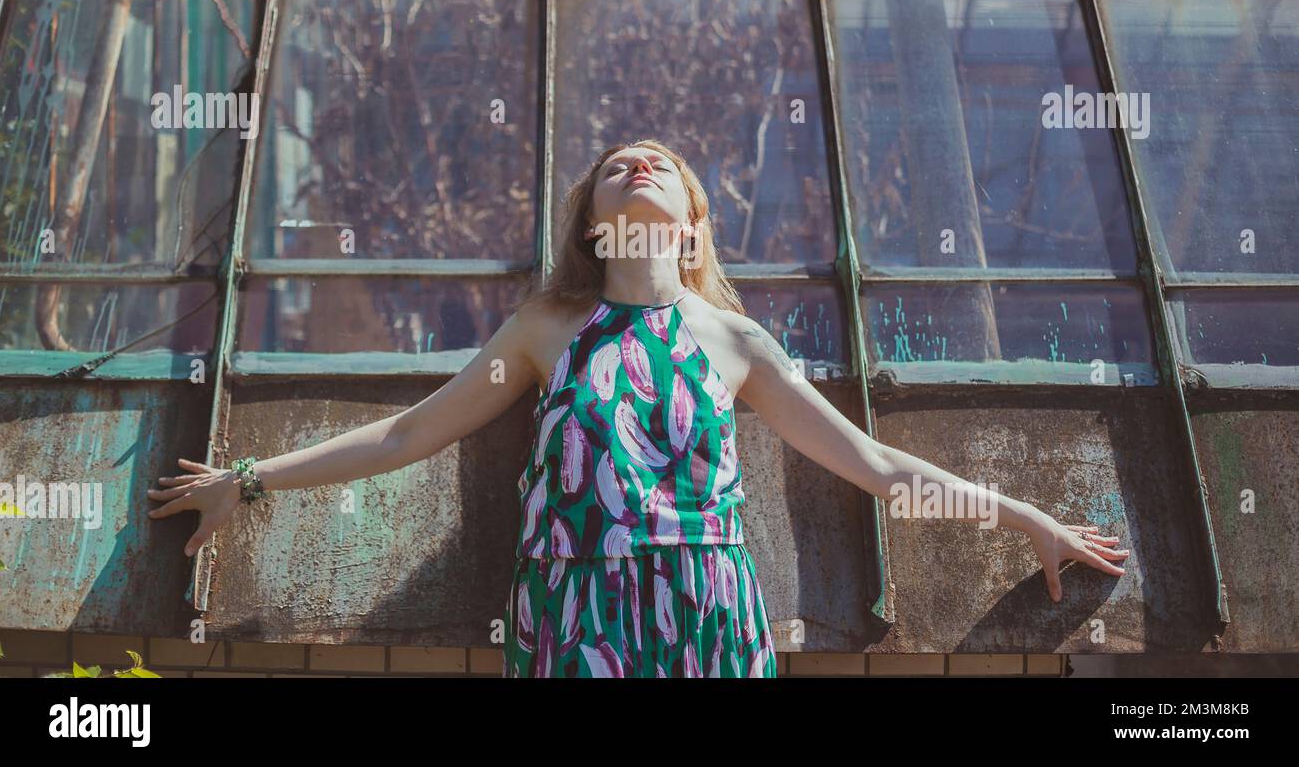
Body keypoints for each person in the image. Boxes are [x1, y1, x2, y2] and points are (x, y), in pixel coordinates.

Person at [148, 139, 1128, 677]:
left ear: (695, 223)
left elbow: (877, 467)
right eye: (619, 163)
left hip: (710, 615)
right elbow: (415, 429)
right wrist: (248, 478)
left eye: (662, 163)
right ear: (590, 220)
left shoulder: (736, 343)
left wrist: (1026, 518)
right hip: (570, 616)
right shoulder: (546, 326)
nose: (640, 163)